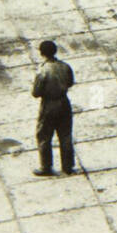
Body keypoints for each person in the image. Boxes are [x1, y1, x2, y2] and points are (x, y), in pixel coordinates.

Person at [31, 40, 76, 176]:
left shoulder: (42, 71)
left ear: (42, 53)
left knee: (44, 135)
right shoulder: (65, 66)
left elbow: (36, 92)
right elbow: (70, 82)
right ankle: (67, 166)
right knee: (65, 135)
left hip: (49, 105)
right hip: (64, 103)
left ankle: (46, 166)